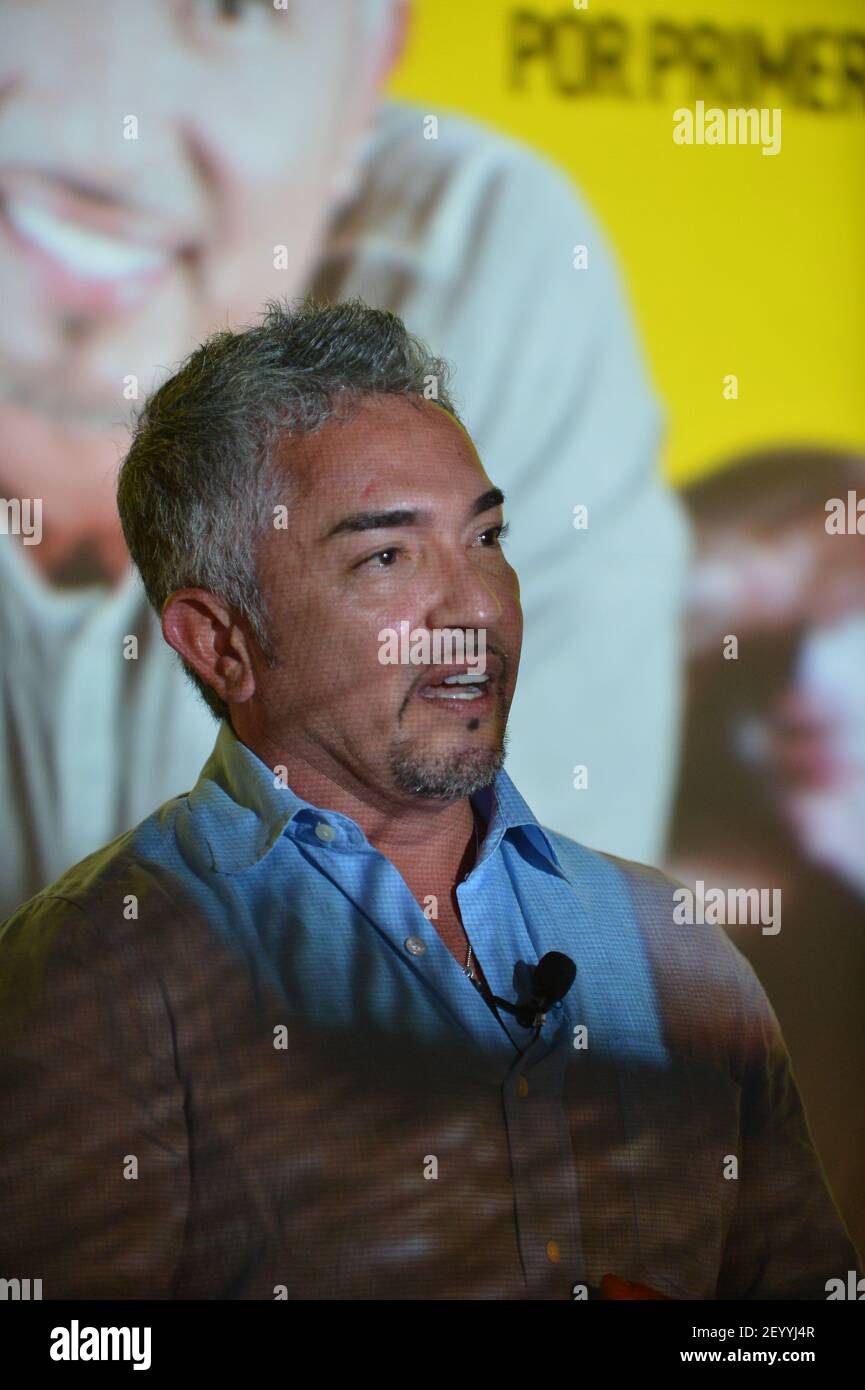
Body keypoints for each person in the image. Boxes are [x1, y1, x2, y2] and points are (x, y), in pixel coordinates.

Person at [0, 300, 855, 1300]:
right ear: (219, 641)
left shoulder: (672, 948)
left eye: (485, 538)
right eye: (387, 557)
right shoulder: (97, 968)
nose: (477, 607)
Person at [0, 0, 688, 920]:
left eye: (236, 10)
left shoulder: (484, 248)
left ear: (378, 60)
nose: (100, 141)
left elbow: (530, 946)